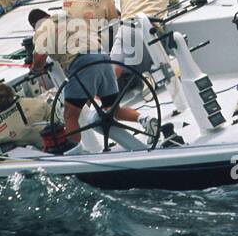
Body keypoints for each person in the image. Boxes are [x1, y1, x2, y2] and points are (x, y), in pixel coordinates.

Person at [30, 8, 154, 151]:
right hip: (103, 59)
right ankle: (145, 119)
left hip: (82, 64)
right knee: (112, 109)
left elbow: (39, 58)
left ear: (34, 25)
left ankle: (75, 153)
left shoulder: (42, 29)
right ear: (47, 15)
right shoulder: (72, 19)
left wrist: (35, 68)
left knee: (70, 115)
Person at [0, 81, 53, 153]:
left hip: (36, 155)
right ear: (12, 93)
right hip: (52, 145)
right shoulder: (36, 103)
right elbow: (54, 119)